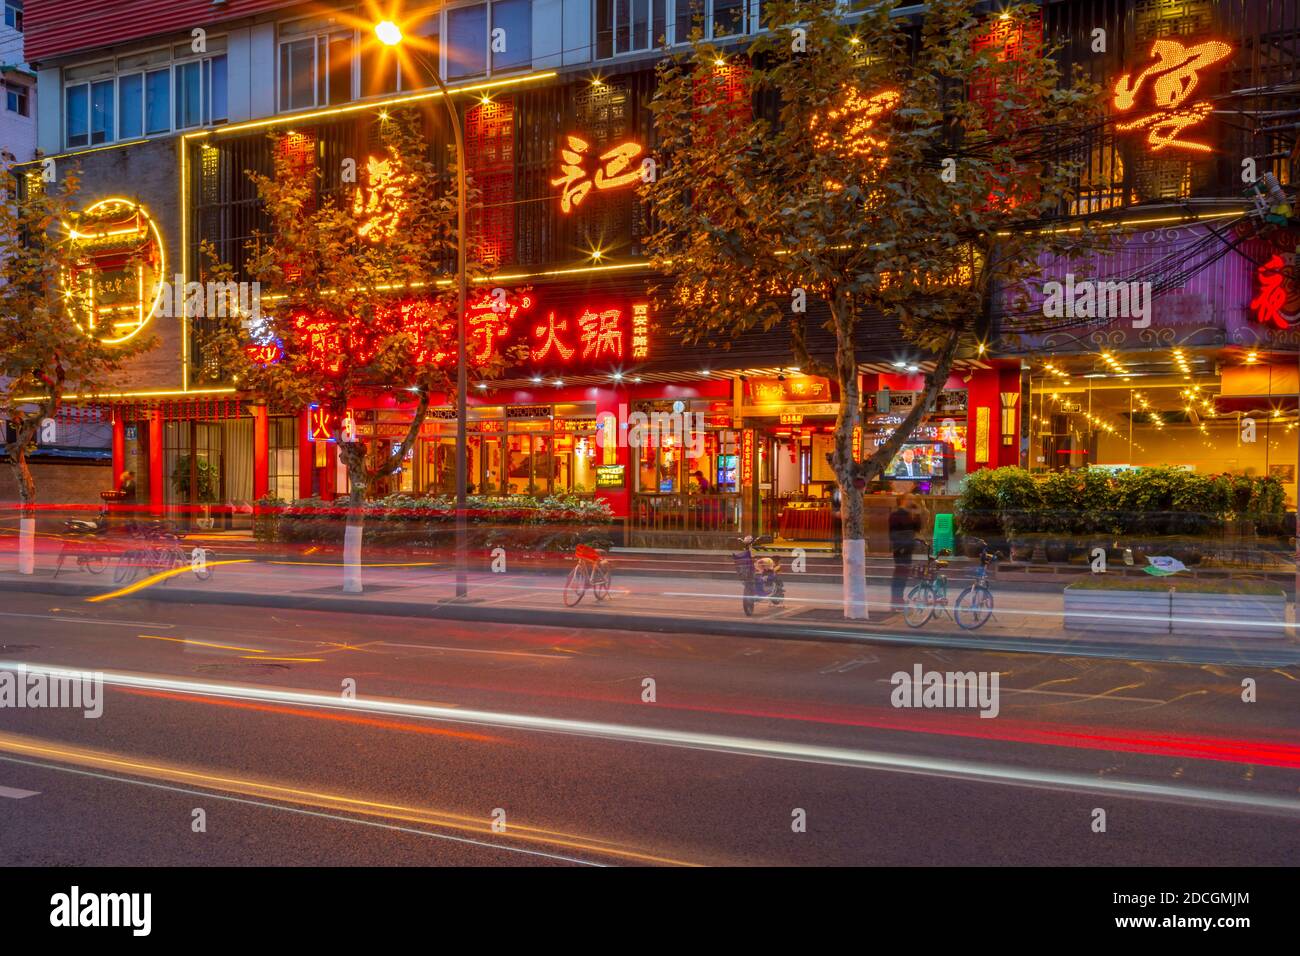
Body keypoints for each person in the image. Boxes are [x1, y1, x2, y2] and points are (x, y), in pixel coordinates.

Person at [888, 491, 923, 615]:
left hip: (908, 548)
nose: (912, 502)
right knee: (900, 575)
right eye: (909, 499)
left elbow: (917, 528)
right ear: (903, 500)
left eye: (913, 499)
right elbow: (893, 533)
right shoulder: (896, 514)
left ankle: (897, 601)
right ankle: (896, 602)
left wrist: (917, 514)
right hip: (901, 549)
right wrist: (900, 546)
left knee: (903, 576)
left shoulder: (909, 514)